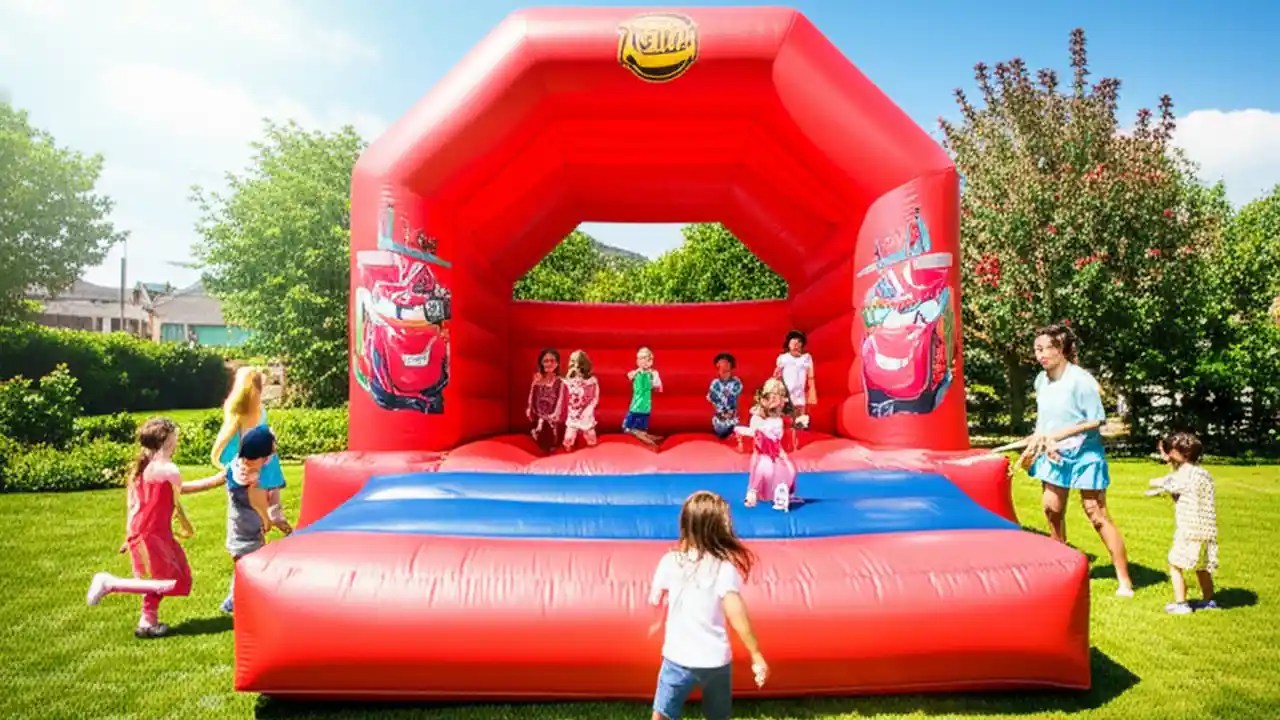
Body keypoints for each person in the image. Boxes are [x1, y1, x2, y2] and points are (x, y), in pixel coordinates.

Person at [1018, 323, 1134, 597]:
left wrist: (1058, 434)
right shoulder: (1041, 379)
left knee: (1096, 514)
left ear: (1062, 349)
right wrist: (1037, 440)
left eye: (1047, 348)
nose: (1041, 354)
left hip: (1085, 454)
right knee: (1051, 509)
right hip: (1054, 453)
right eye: (1037, 349)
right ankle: (1061, 565)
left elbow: (1096, 420)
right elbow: (1044, 418)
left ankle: (1124, 580)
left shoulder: (1081, 381)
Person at [86, 417, 224, 637]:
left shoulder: (143, 469)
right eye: (174, 437)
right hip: (153, 536)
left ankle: (148, 622)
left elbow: (133, 505)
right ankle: (109, 583)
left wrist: (129, 534)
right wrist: (218, 480)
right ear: (165, 440)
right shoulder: (167, 469)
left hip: (148, 533)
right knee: (170, 582)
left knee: (160, 580)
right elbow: (179, 491)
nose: (176, 441)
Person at [649, 491, 769, 720]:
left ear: (684, 526)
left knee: (662, 715)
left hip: (678, 658)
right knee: (718, 716)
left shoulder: (670, 562)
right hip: (715, 661)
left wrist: (655, 622)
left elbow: (656, 600)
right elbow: (736, 613)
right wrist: (755, 654)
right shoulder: (724, 568)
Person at [211, 367, 291, 535]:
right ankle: (269, 515)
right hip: (245, 462)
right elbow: (241, 442)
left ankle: (269, 515)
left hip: (249, 460)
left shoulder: (242, 411)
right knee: (254, 494)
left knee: (256, 492)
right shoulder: (248, 413)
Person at [1147, 431, 1219, 614]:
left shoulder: (1183, 474)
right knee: (1202, 567)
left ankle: (1181, 604)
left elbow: (1167, 484)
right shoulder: (1203, 473)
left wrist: (1155, 488)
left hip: (1189, 528)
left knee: (1175, 564)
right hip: (1207, 529)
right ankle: (1209, 600)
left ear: (1181, 454)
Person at [220, 425, 278, 614]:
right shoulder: (250, 477)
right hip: (246, 534)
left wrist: (183, 487)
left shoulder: (237, 467)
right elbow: (257, 502)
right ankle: (237, 602)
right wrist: (267, 520)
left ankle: (233, 601)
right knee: (251, 570)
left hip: (239, 530)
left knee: (244, 570)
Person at [734, 378, 797, 511]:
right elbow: (756, 433)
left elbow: (776, 436)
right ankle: (752, 493)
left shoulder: (777, 420)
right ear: (765, 400)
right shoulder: (757, 418)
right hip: (763, 454)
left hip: (776, 453)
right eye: (774, 399)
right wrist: (742, 430)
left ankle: (780, 493)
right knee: (762, 470)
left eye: (780, 399)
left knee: (788, 471)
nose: (779, 403)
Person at [526, 348, 567, 453]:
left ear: (557, 363)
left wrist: (550, 419)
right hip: (538, 422)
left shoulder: (560, 383)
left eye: (552, 361)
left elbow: (560, 405)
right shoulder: (537, 382)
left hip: (554, 423)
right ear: (541, 363)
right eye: (546, 361)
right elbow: (532, 403)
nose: (549, 363)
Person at [773, 330, 816, 429]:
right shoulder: (783, 358)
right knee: (785, 421)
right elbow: (777, 376)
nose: (796, 344)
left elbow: (811, 377)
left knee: (800, 422)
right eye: (793, 341)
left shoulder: (806, 358)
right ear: (788, 344)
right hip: (786, 395)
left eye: (799, 342)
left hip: (800, 395)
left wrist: (812, 394)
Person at [624, 346, 664, 447]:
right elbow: (629, 376)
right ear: (637, 361)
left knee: (631, 427)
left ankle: (646, 439)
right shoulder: (635, 373)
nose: (644, 362)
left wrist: (652, 377)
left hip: (642, 406)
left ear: (651, 361)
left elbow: (658, 387)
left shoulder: (653, 374)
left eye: (647, 360)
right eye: (641, 359)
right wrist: (637, 371)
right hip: (637, 405)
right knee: (632, 427)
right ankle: (644, 436)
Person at [563, 349, 600, 451]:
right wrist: (568, 377)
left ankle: (592, 448)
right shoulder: (568, 380)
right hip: (573, 413)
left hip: (586, 413)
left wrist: (589, 409)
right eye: (572, 361)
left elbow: (594, 397)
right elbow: (563, 390)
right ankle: (568, 449)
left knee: (589, 433)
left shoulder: (591, 381)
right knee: (569, 436)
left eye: (577, 361)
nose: (574, 365)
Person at [707, 353, 744, 440]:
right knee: (720, 430)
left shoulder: (736, 383)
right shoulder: (715, 383)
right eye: (722, 361)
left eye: (727, 362)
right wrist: (721, 413)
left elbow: (732, 398)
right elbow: (713, 400)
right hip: (720, 419)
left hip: (734, 419)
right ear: (717, 364)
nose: (725, 364)